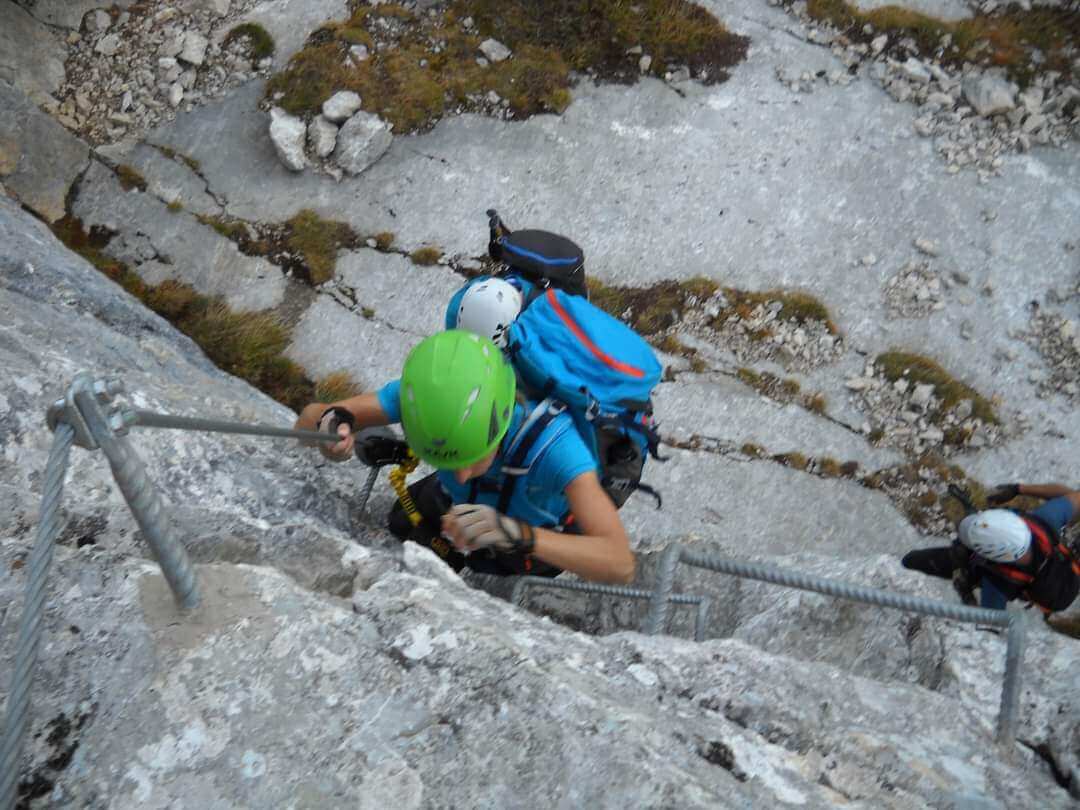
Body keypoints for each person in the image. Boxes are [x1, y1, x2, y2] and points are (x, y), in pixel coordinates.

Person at [295, 329, 636, 584]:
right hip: (455, 508)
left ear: (502, 422)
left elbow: (619, 563)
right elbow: (309, 419)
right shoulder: (426, 399)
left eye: (473, 457)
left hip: (527, 536)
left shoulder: (556, 447)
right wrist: (330, 428)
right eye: (446, 460)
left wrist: (515, 533)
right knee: (402, 520)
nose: (459, 475)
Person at [902, 482, 1080, 613]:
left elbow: (988, 631)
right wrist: (1017, 489)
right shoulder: (1045, 521)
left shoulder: (998, 583)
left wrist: (965, 593)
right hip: (1054, 571)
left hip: (1043, 587)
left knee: (911, 561)